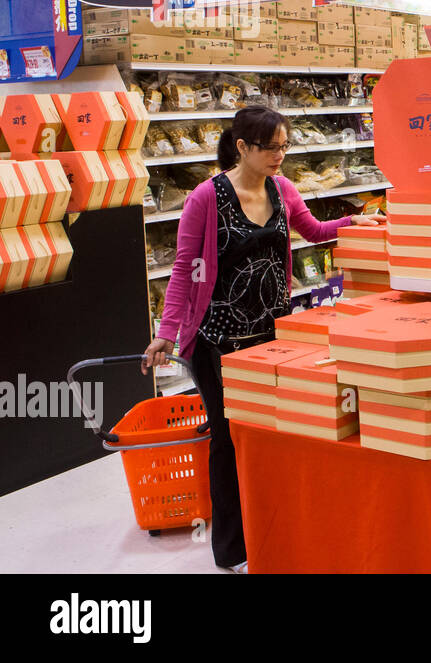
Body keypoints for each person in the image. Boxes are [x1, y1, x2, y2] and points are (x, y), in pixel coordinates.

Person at [141, 107, 387, 571]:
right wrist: (167, 334)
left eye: (284, 146)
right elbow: (182, 269)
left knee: (274, 439)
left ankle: (275, 534)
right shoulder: (205, 198)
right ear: (242, 147)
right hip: (218, 342)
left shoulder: (284, 188)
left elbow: (313, 230)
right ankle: (233, 549)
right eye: (271, 147)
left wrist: (359, 223)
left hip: (274, 337)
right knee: (229, 441)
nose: (280, 156)